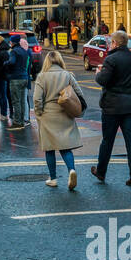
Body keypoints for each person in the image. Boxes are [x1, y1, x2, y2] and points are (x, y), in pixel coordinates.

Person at [91, 30, 131, 188]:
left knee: (107, 141)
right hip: (130, 104)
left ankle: (101, 171)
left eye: (111, 42)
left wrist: (98, 73)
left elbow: (104, 80)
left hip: (112, 106)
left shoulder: (111, 59)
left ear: (115, 43)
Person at [34, 50, 84, 190]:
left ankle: (53, 178)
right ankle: (71, 170)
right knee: (65, 147)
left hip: (48, 115)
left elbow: (37, 99)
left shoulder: (42, 77)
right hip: (65, 113)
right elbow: (79, 94)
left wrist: (39, 114)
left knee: (49, 148)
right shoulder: (67, 75)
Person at [8, 34, 33, 127]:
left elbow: (12, 62)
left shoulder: (14, 51)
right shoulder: (25, 51)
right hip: (25, 78)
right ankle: (23, 119)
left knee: (16, 100)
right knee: (23, 100)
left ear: (12, 42)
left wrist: (5, 63)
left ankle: (17, 120)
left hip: (16, 78)